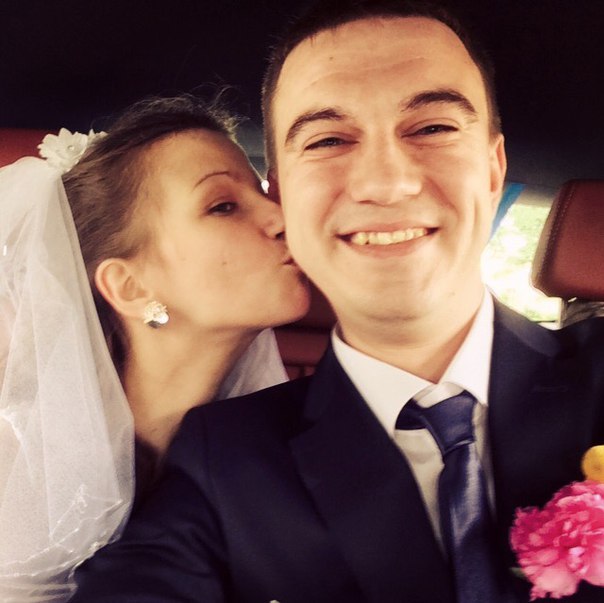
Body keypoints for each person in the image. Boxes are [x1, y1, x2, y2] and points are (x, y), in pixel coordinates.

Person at [69, 2, 604, 602]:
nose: (385, 183)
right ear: (285, 195)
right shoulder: (222, 460)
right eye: (327, 140)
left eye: (432, 128)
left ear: (493, 169)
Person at [0, 95, 309, 602]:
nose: (282, 218)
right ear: (130, 287)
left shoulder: (278, 441)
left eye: (263, 192)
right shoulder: (23, 485)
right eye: (223, 206)